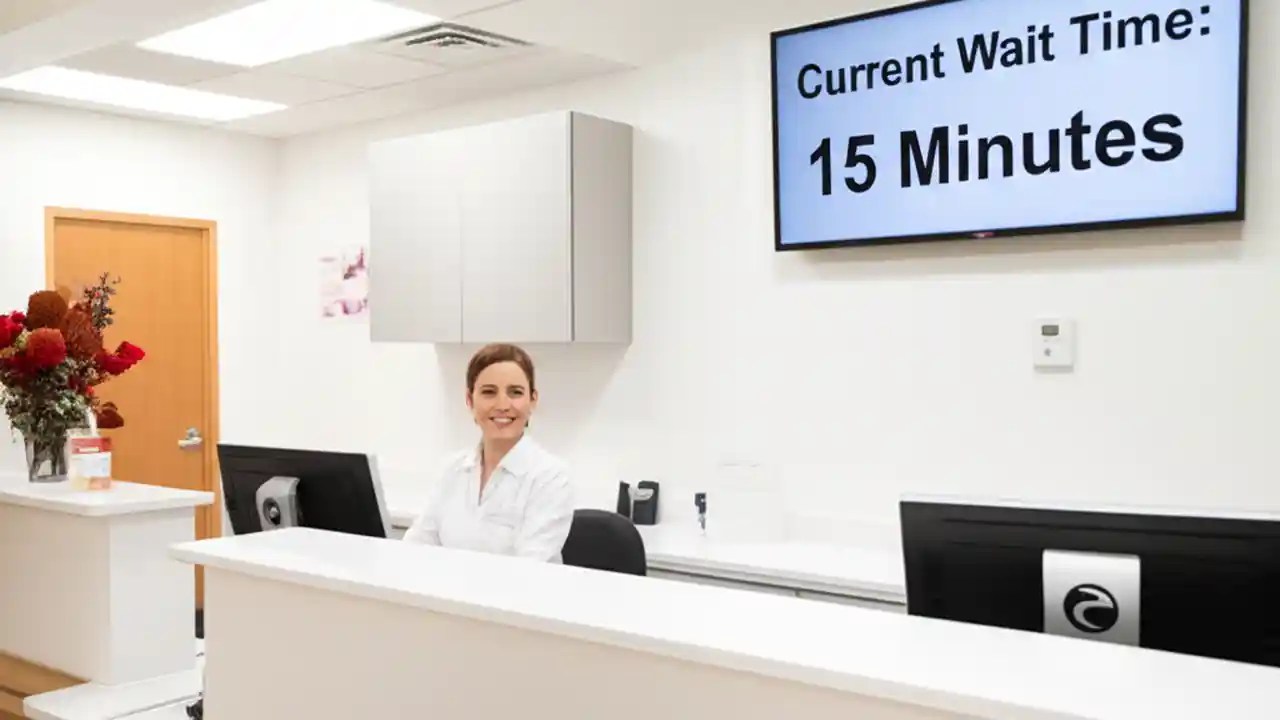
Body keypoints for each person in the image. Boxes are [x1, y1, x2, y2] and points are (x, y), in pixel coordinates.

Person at [403, 343, 575, 562]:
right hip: (448, 593)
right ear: (469, 400)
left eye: (515, 392)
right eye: (488, 392)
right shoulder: (452, 470)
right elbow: (416, 545)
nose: (502, 404)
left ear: (532, 400)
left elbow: (529, 569)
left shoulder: (551, 477)